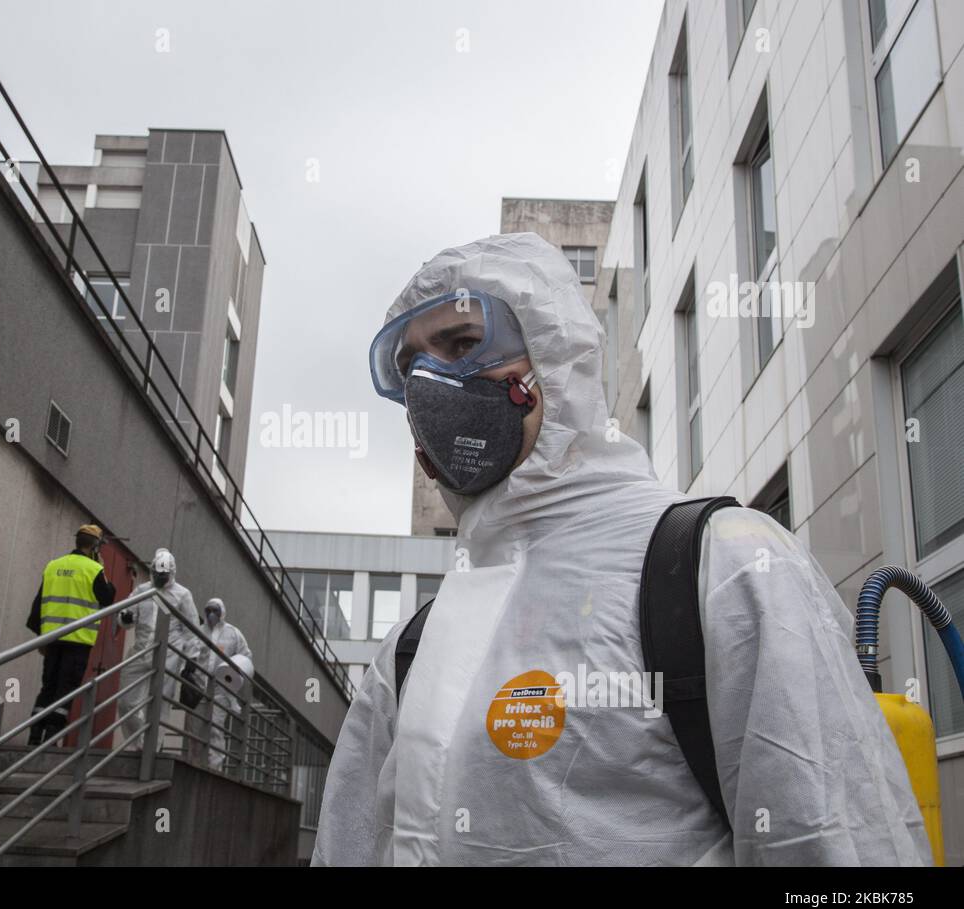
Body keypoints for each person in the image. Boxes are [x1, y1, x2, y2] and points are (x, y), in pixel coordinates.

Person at [312, 232, 931, 866]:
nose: (430, 384)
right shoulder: (410, 651)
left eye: (464, 344)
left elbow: (842, 854)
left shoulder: (720, 566)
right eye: (410, 368)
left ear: (551, 356)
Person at [26, 524, 116, 747]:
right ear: (95, 547)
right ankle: (51, 737)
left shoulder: (53, 565)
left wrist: (40, 636)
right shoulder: (94, 569)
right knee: (65, 688)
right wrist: (103, 570)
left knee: (48, 685)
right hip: (77, 641)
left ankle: (35, 734)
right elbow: (107, 598)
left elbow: (38, 603)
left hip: (52, 639)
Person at [116, 548, 198, 752]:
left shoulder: (182, 595)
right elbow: (126, 615)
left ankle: (152, 747)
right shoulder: (142, 591)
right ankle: (139, 742)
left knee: (159, 704)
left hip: (168, 654)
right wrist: (125, 618)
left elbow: (192, 630)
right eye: (157, 574)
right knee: (126, 701)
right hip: (140, 649)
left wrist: (191, 659)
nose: (160, 579)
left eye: (164, 575)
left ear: (172, 572)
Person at [194, 598, 253, 772]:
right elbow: (190, 652)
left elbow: (245, 657)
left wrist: (235, 673)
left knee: (215, 727)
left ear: (222, 612)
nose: (212, 614)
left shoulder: (233, 633)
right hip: (199, 686)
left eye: (215, 611)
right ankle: (195, 763)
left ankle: (214, 767)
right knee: (195, 729)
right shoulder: (199, 631)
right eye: (209, 610)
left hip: (222, 689)